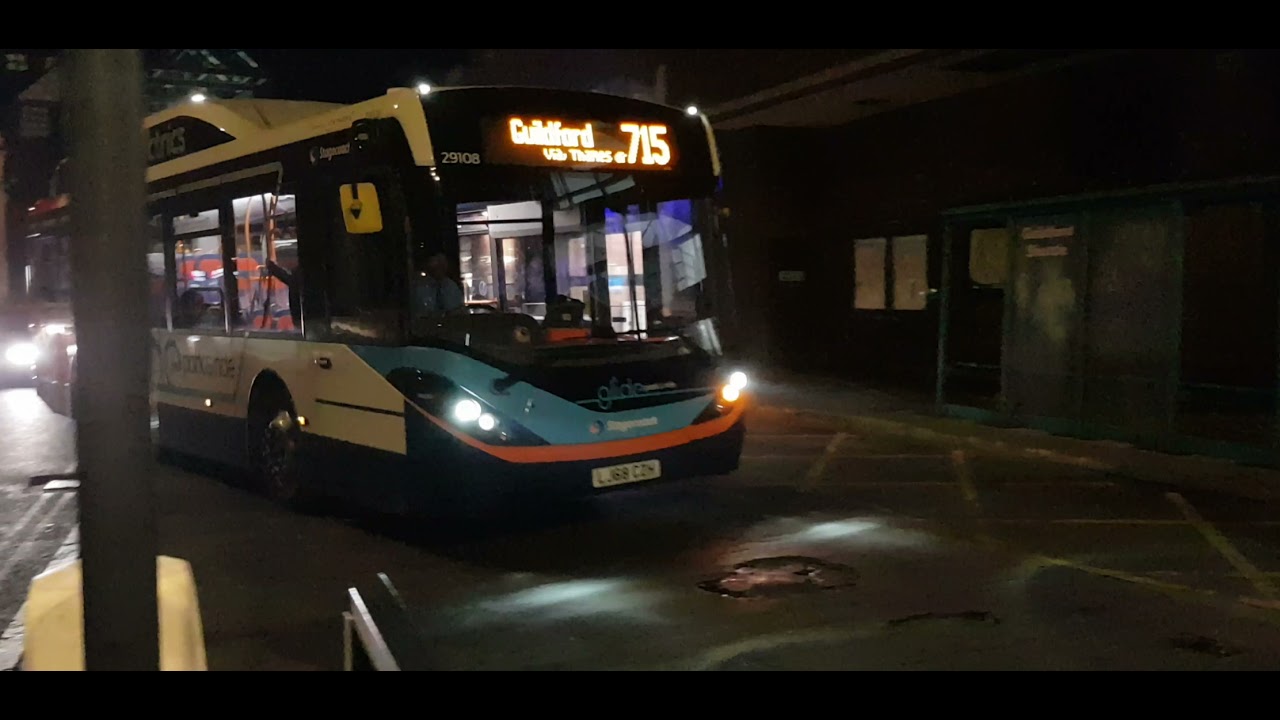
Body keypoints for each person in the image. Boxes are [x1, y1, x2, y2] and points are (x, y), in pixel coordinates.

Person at [414, 252, 465, 317]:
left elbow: (458, 308)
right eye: (436, 264)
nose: (439, 268)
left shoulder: (451, 286)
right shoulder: (421, 287)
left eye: (442, 265)